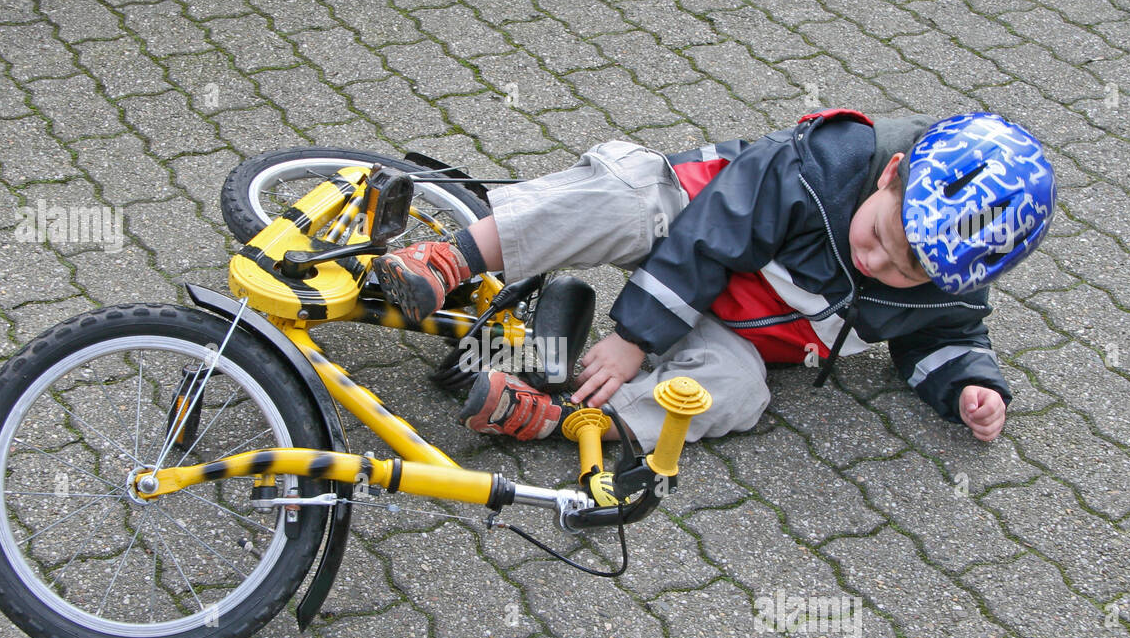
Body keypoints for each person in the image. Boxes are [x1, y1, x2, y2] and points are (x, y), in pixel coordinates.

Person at [371, 110, 1056, 448]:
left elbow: (950, 329)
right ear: (890, 174)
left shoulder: (947, 276)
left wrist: (970, 384)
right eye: (881, 237)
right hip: (683, 226)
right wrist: (634, 337)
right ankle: (455, 256)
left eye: (909, 273)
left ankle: (578, 421)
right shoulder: (821, 165)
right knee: (622, 195)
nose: (880, 264)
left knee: (737, 394)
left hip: (734, 329)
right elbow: (713, 236)